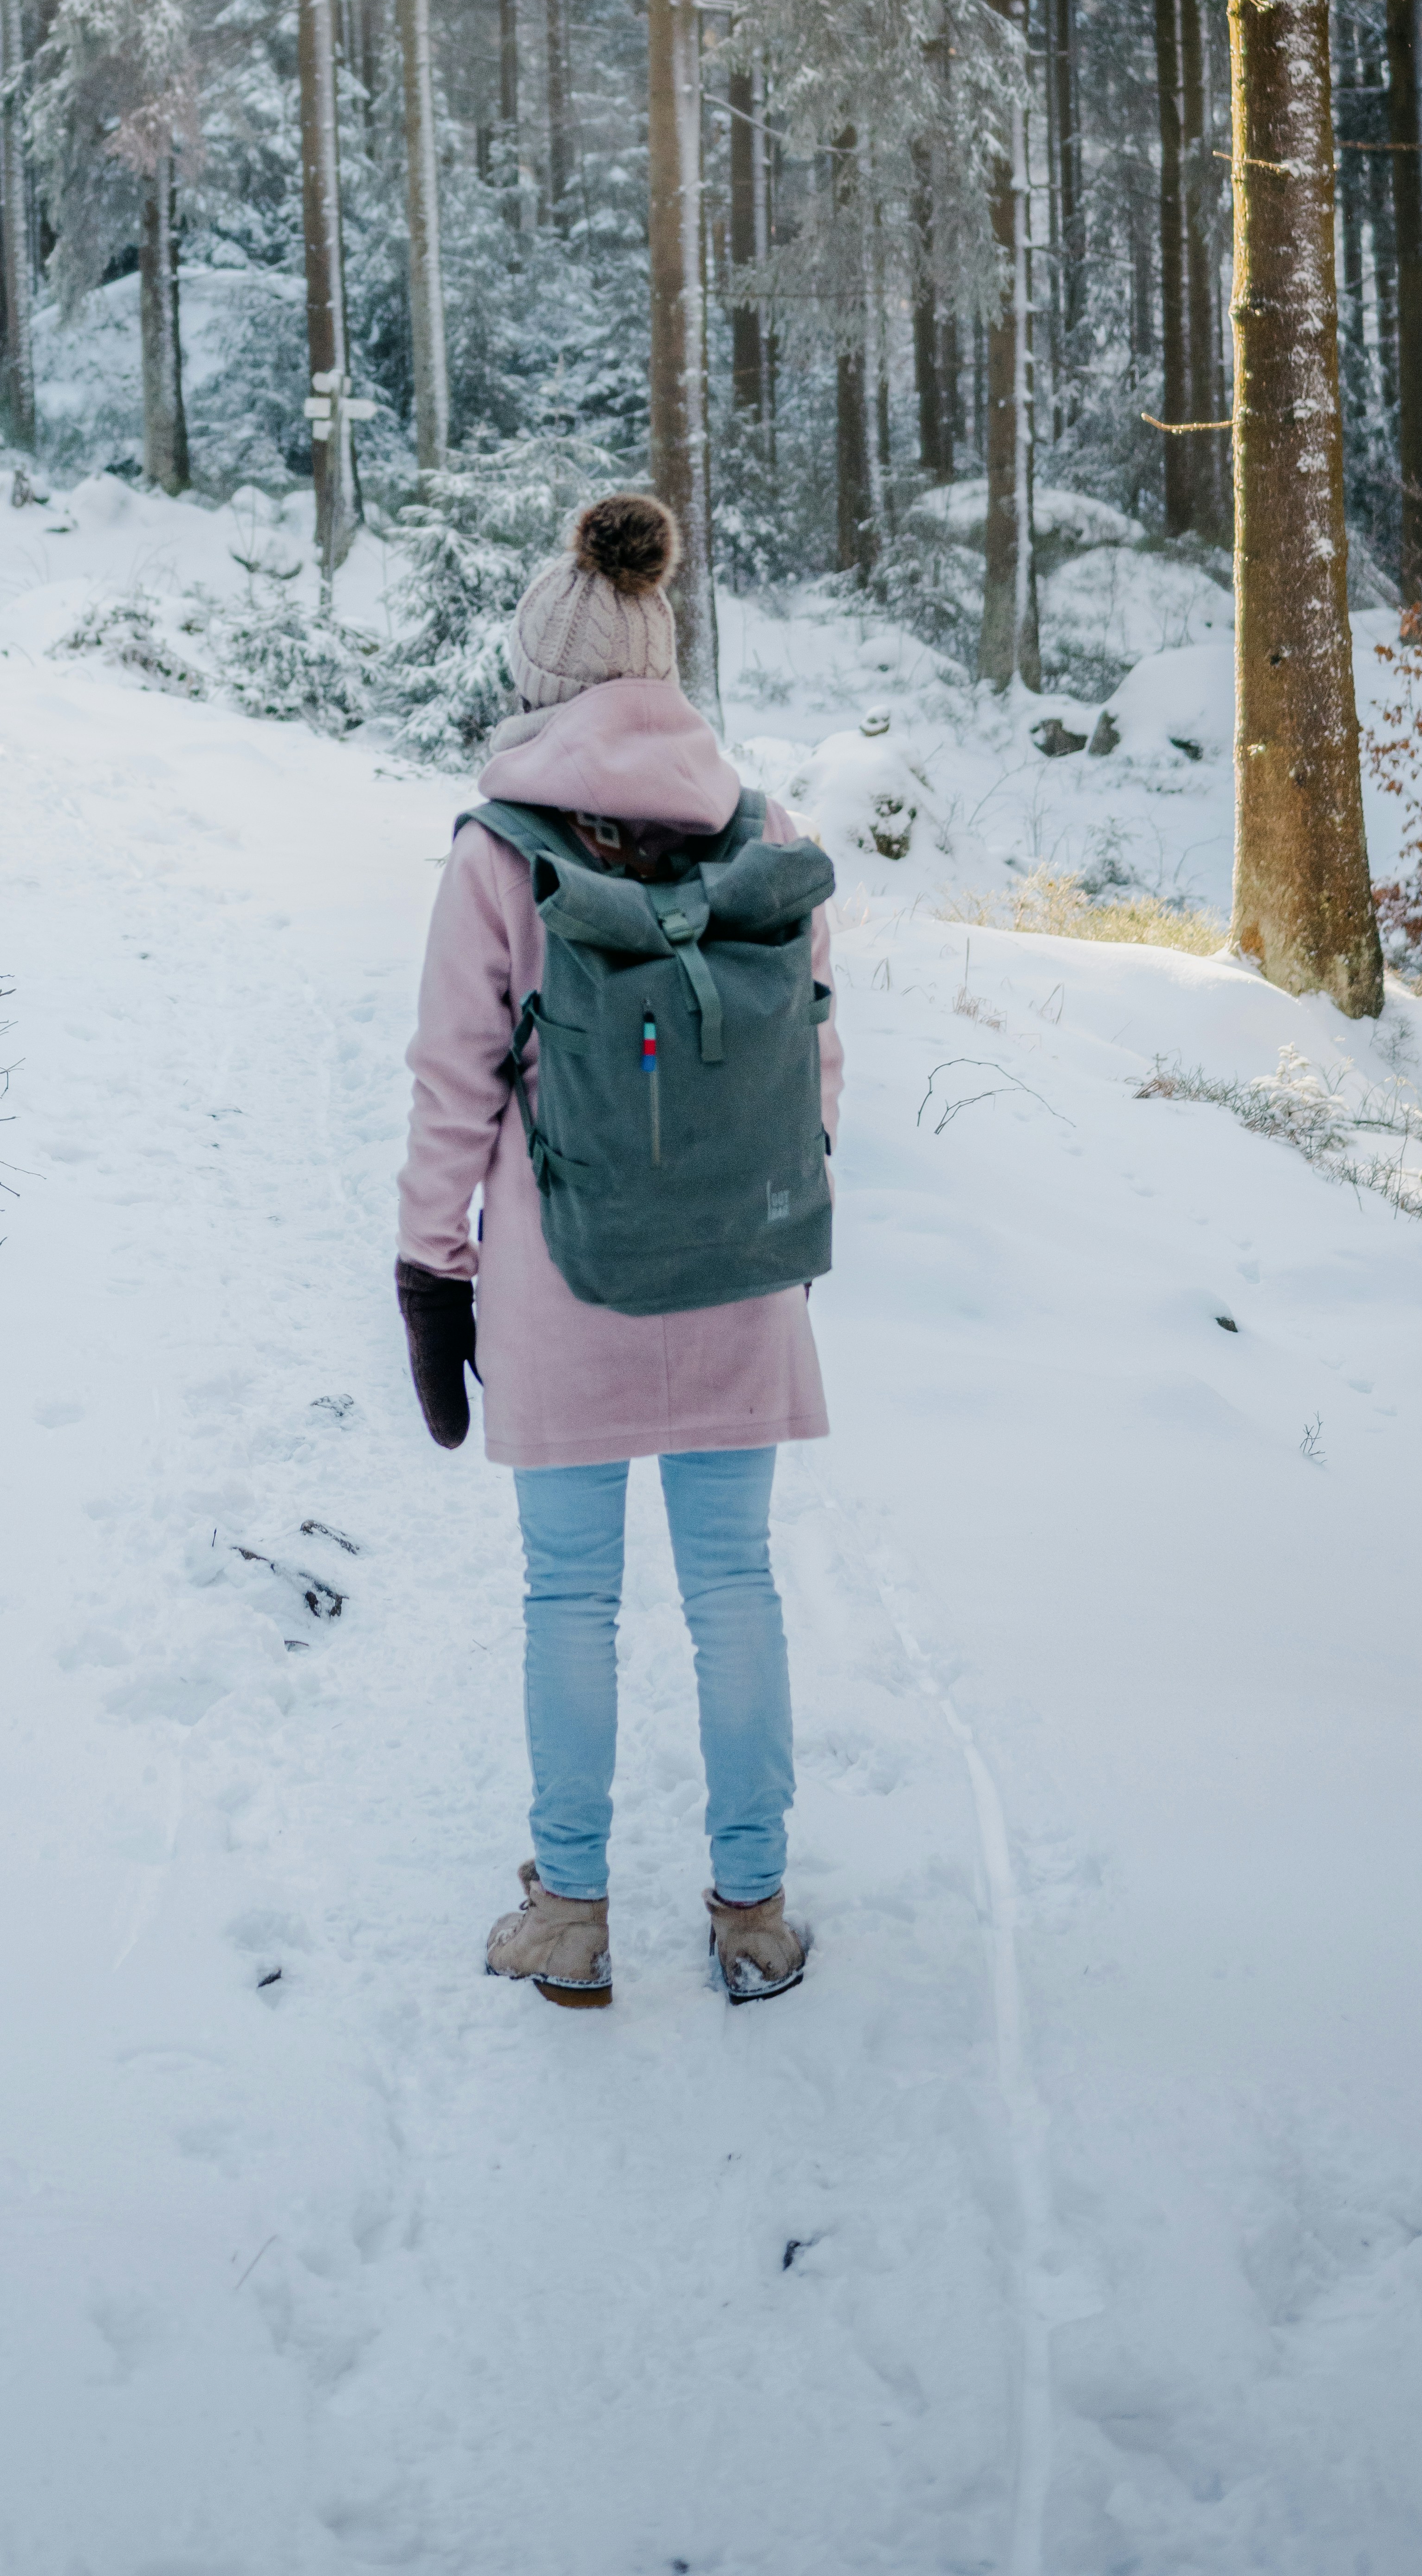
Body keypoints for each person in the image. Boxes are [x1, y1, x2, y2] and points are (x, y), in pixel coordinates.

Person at [393, 490, 841, 2011]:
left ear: (543, 679)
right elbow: (817, 1063)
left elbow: (457, 1085)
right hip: (739, 1274)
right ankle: (755, 1909)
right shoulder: (767, 836)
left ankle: (572, 1913)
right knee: (737, 1585)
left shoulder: (500, 849)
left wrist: (428, 1274)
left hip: (558, 1279)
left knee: (568, 1599)